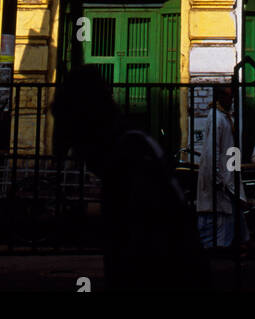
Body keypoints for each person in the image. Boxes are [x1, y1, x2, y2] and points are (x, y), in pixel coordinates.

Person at [51, 65, 210, 291]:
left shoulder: (129, 162)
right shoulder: (131, 150)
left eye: (76, 139)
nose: (77, 154)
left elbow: (143, 255)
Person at [196, 83, 247, 249]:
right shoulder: (217, 118)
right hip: (221, 177)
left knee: (231, 211)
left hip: (228, 174)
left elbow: (231, 148)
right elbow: (213, 151)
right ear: (220, 97)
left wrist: (234, 172)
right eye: (228, 95)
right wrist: (217, 176)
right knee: (219, 214)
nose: (231, 99)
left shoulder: (225, 117)